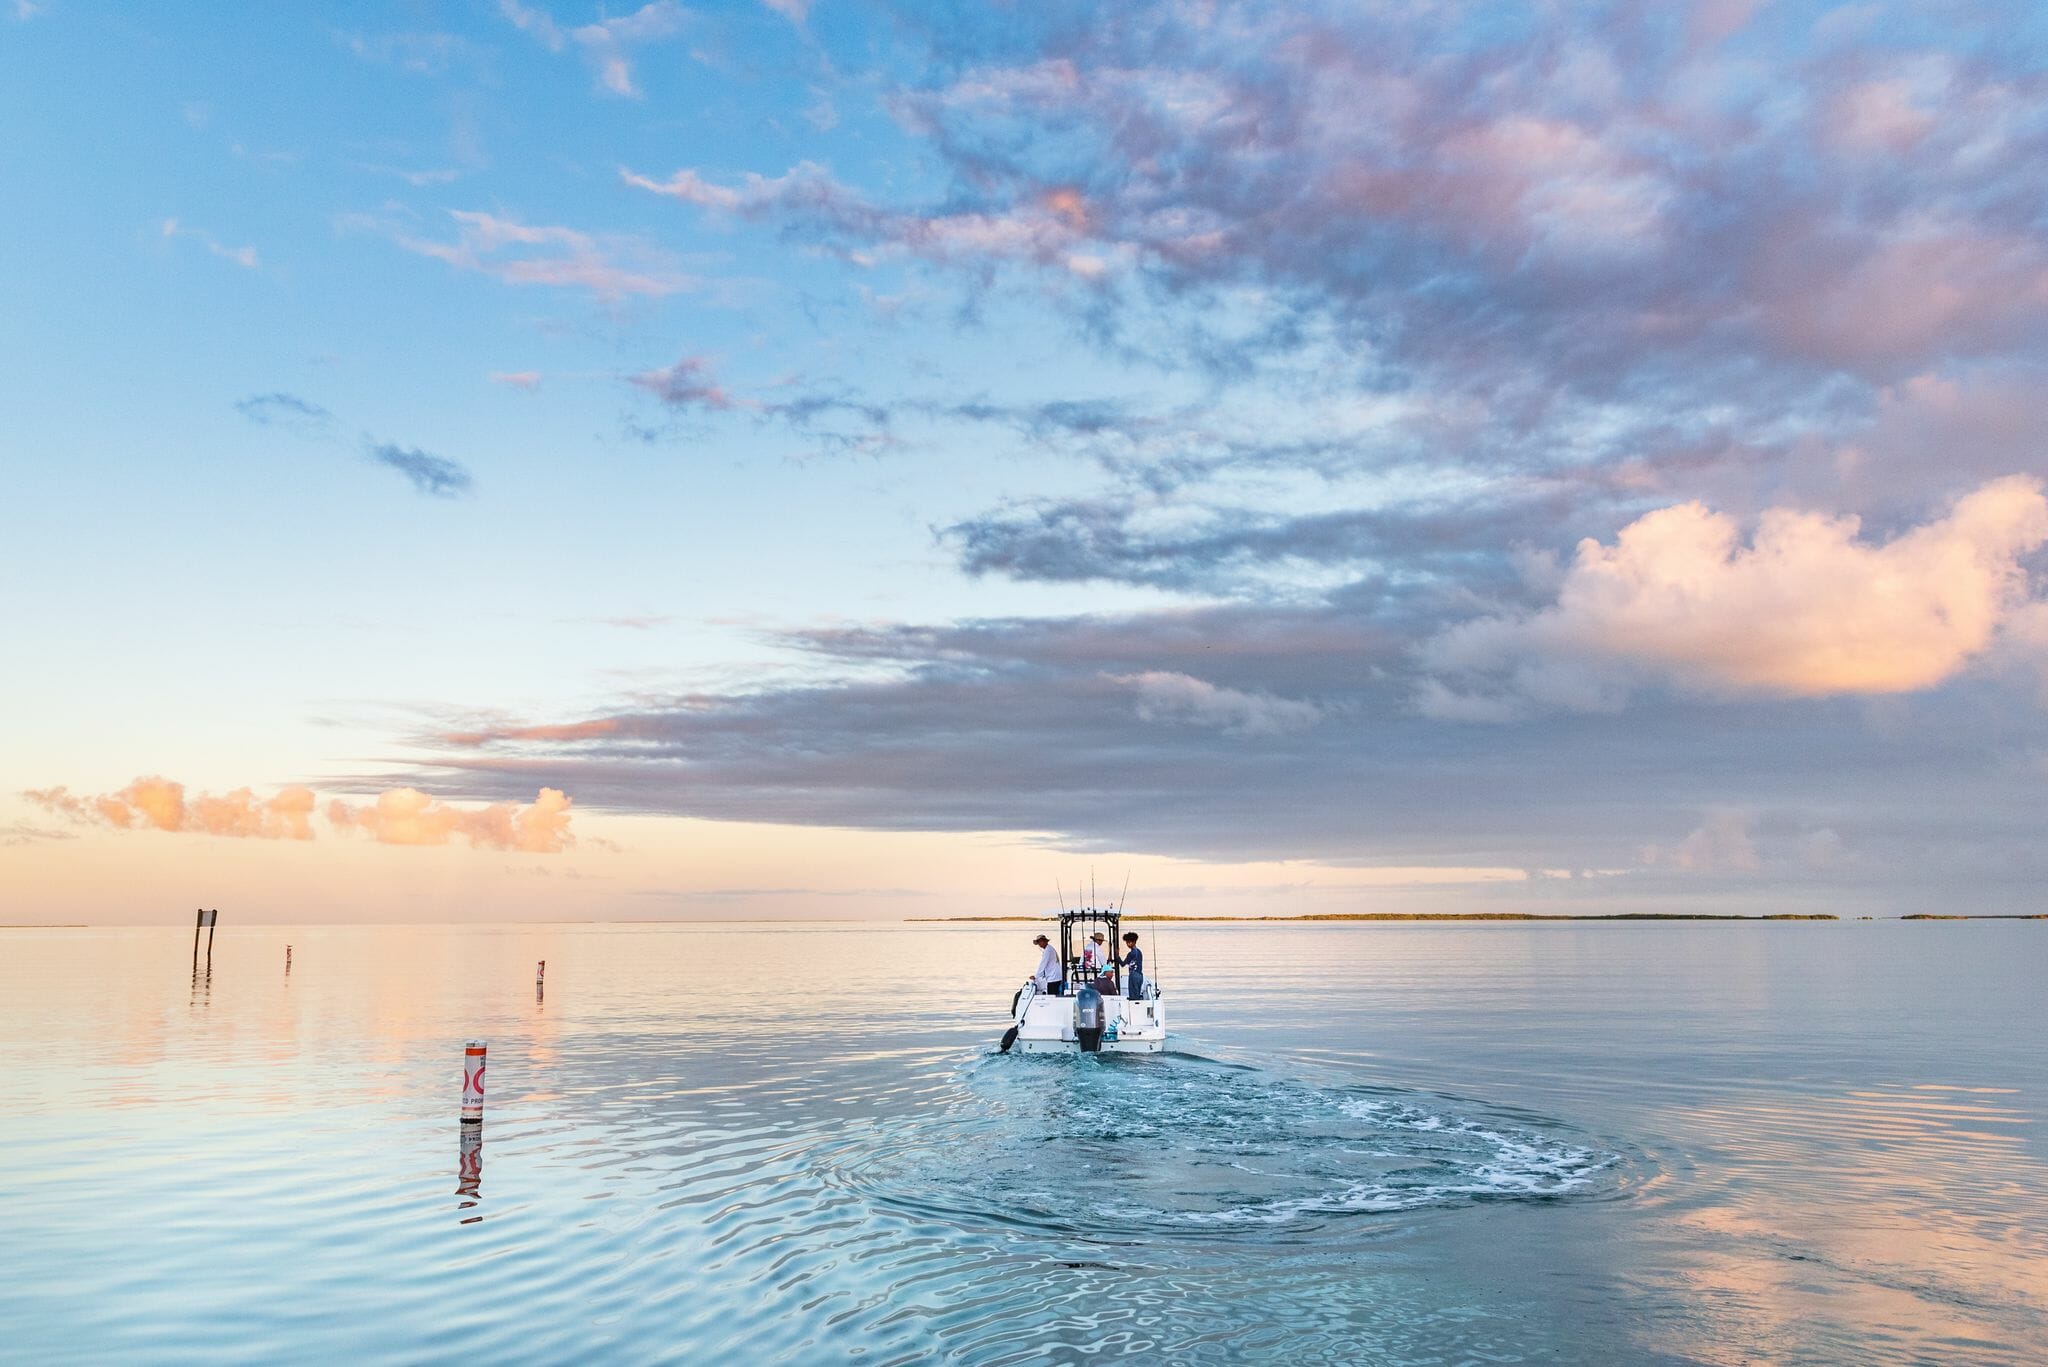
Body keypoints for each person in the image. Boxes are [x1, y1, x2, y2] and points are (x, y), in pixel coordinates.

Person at [1121, 931, 1144, 999]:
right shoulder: (1139, 951)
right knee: (1137, 994)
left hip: (1133, 975)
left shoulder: (1131, 953)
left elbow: (1122, 964)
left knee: (1133, 996)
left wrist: (1117, 956)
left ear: (1134, 942)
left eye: (1129, 942)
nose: (1127, 944)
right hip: (1140, 975)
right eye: (1127, 942)